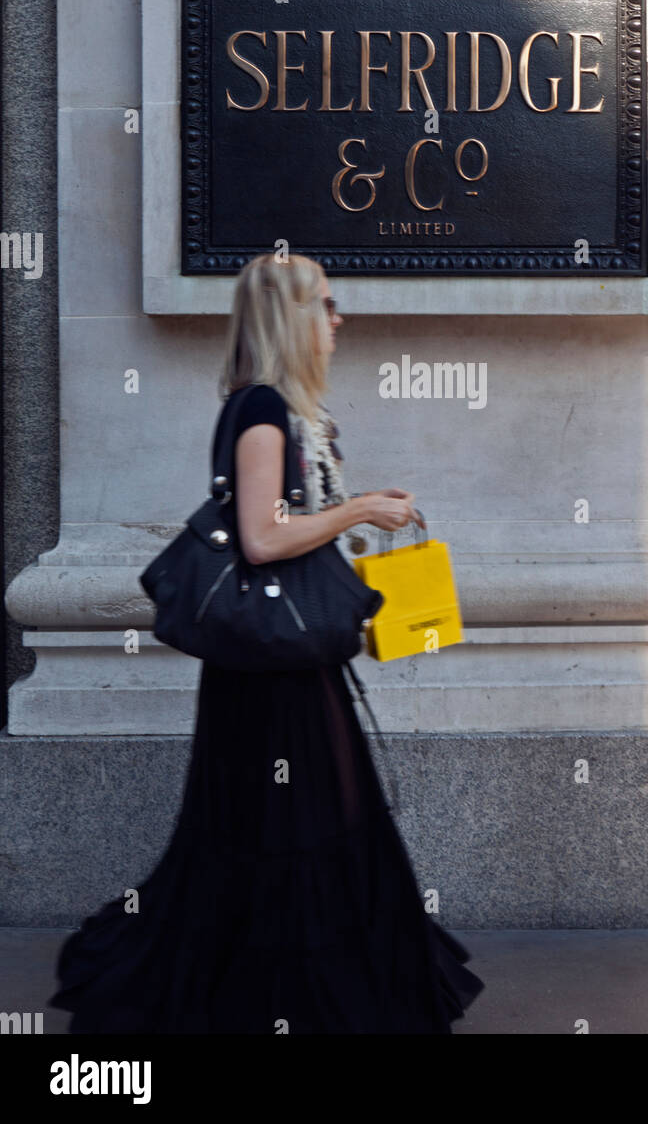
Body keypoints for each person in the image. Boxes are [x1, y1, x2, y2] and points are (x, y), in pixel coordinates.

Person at [48, 251, 484, 1033]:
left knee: (309, 822)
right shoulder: (259, 410)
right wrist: (356, 517)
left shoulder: (289, 410)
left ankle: (300, 991)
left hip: (290, 662)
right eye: (323, 302)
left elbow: (291, 517)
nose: (337, 317)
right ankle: (286, 1002)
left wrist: (365, 500)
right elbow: (260, 538)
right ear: (289, 316)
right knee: (295, 826)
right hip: (269, 674)